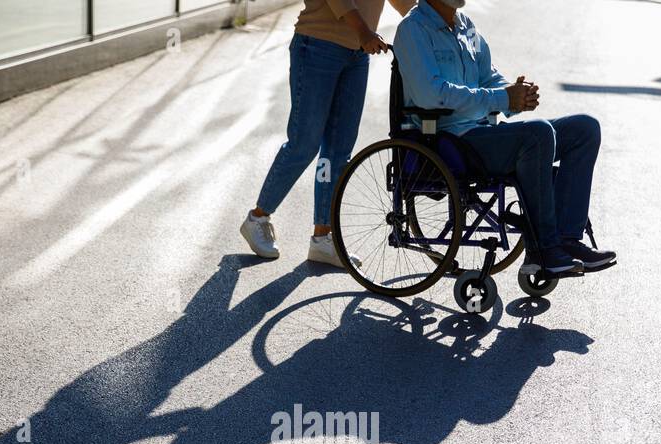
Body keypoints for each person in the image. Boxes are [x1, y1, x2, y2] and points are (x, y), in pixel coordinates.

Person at [392, 0, 616, 279]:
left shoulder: (465, 26)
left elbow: (490, 78)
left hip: (483, 132)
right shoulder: (413, 30)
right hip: (448, 139)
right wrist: (501, 98)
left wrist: (515, 96)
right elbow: (430, 95)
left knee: (585, 129)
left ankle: (568, 240)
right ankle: (545, 248)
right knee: (538, 134)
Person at [241, 0, 415, 267]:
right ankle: (258, 218)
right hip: (318, 44)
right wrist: (363, 30)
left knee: (338, 150)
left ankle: (323, 238)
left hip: (357, 53)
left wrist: (430, 19)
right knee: (304, 143)